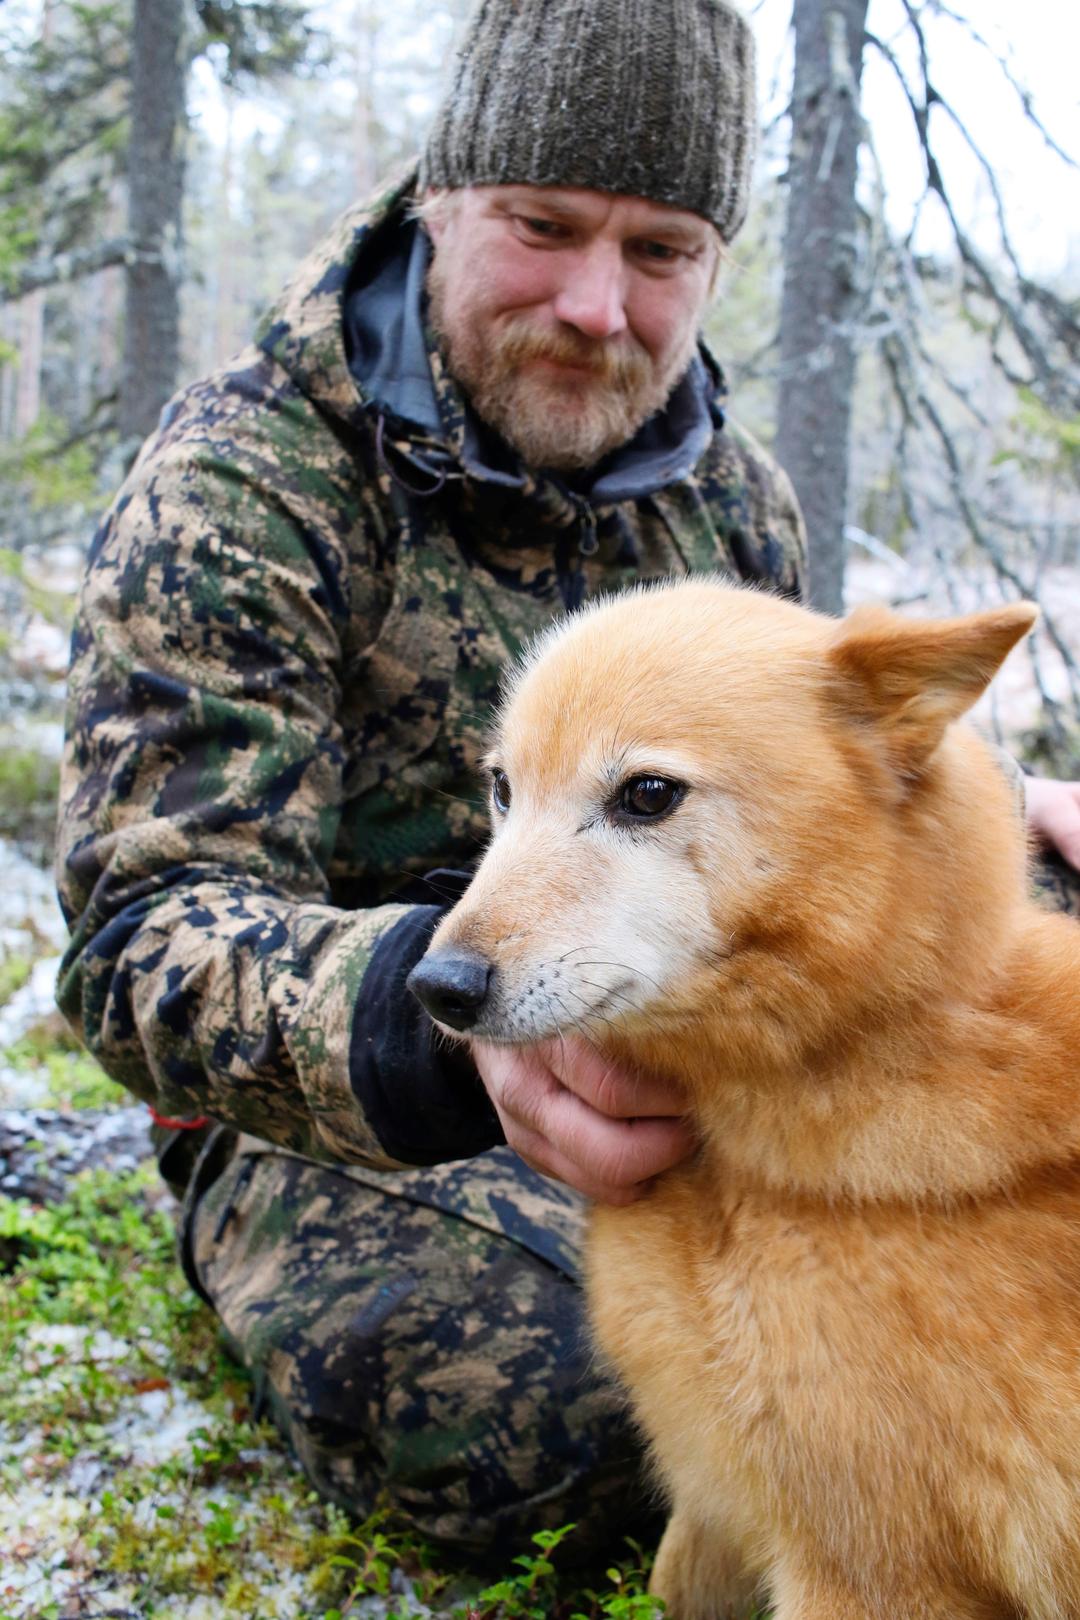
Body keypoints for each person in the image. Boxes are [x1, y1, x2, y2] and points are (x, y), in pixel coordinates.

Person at [55, 0, 1080, 1567]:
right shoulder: (246, 481)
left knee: (890, 1350)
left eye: (662, 250)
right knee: (574, 1405)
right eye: (545, 227)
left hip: (701, 1058)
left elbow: (828, 799)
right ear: (442, 198)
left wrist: (1015, 811)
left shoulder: (736, 499)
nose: (601, 307)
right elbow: (138, 942)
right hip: (356, 1104)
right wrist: (433, 1026)